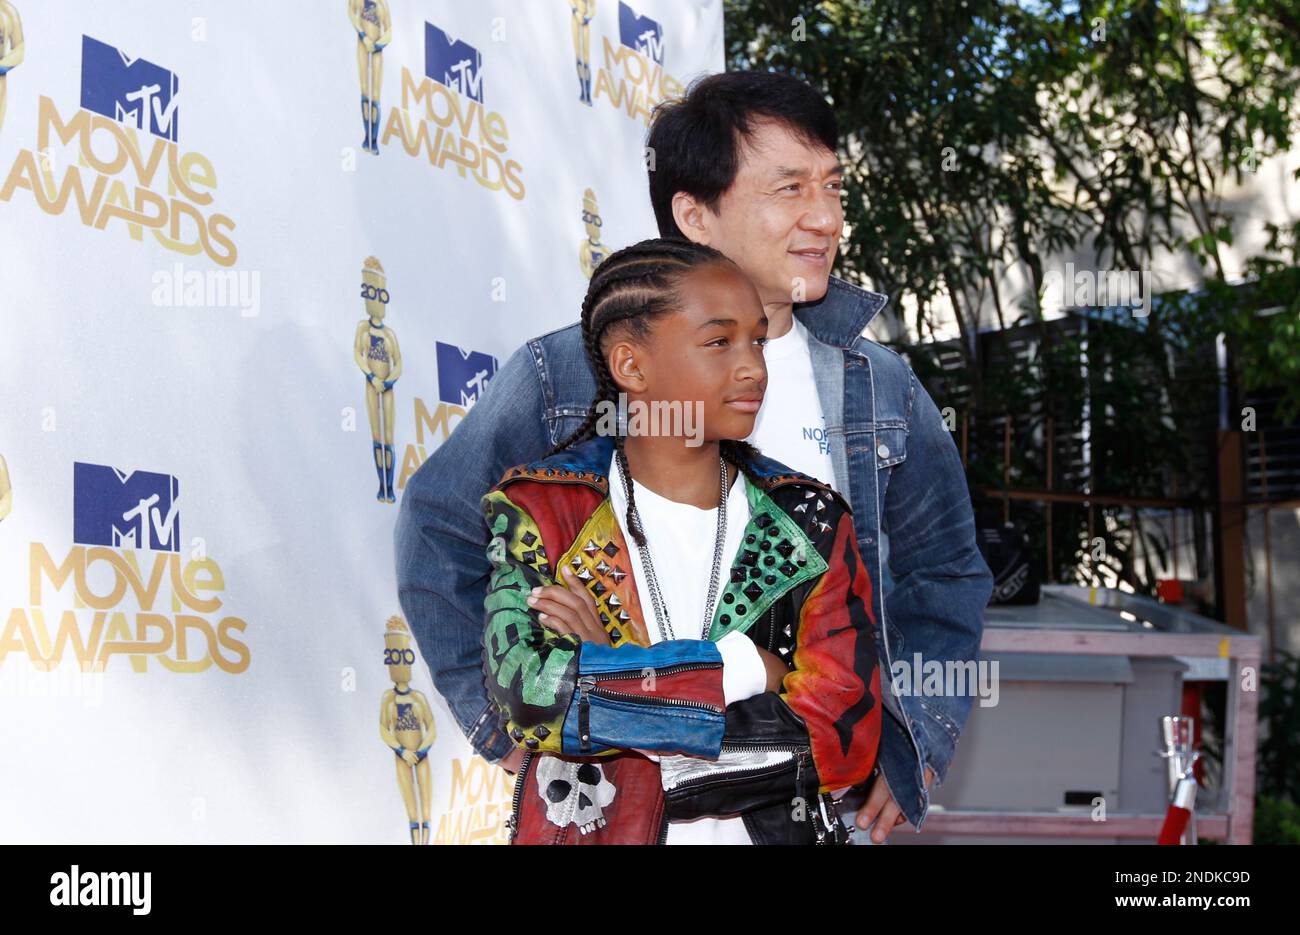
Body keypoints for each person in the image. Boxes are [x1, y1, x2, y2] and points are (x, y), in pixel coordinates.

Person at [395, 70, 992, 844]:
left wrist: (911, 738)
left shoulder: (878, 387)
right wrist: (497, 716)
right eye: (790, 188)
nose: (825, 217)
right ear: (695, 214)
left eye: (833, 188)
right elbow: (438, 526)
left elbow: (945, 572)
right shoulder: (573, 372)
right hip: (606, 809)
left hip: (795, 816)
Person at [481, 238, 881, 843]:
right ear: (630, 366)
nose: (752, 366)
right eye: (719, 341)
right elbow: (531, 697)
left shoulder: (811, 521)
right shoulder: (543, 512)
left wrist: (608, 675)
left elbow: (841, 734)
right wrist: (747, 669)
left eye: (758, 340)